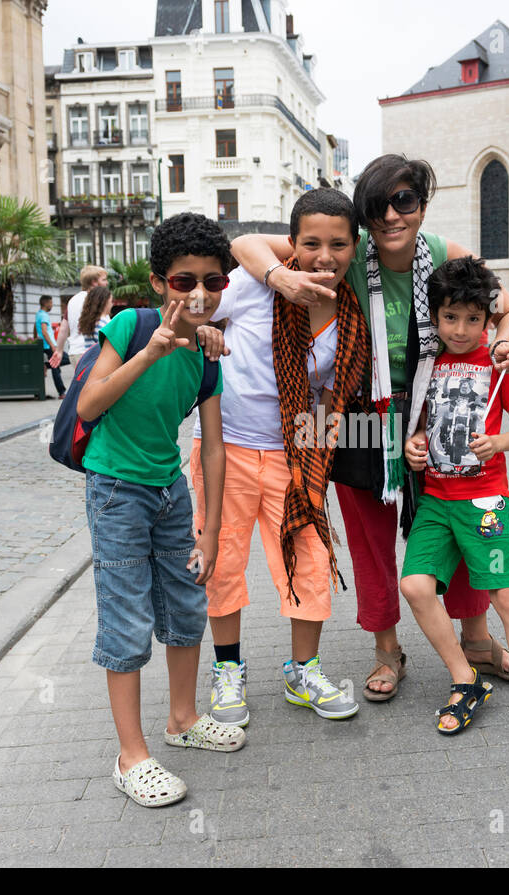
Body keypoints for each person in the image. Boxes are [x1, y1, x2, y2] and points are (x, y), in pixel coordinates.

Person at [229, 154, 509, 704]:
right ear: (363, 215)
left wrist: (504, 337)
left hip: (437, 417)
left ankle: (477, 639)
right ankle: (387, 648)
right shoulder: (342, 250)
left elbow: (507, 307)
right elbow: (243, 243)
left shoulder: (443, 254)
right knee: (370, 542)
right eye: (378, 205)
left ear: (422, 206)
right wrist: (281, 277)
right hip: (362, 420)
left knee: (460, 525)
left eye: (405, 201)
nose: (392, 215)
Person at [75, 212, 239, 809]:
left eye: (212, 282)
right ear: (157, 283)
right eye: (183, 280)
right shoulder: (128, 325)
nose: (198, 293)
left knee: (187, 602)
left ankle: (183, 718)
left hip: (171, 491)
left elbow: (214, 444)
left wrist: (212, 529)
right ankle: (131, 755)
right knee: (125, 614)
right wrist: (149, 351)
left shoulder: (210, 351)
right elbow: (91, 404)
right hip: (117, 489)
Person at [189, 188, 368, 727]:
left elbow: (332, 390)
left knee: (310, 559)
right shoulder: (256, 284)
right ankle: (227, 671)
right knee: (220, 558)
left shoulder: (353, 309)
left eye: (339, 243)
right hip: (228, 449)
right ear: (292, 244)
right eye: (311, 243)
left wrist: (322, 445)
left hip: (297, 452)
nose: (324, 256)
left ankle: (302, 669)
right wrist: (202, 328)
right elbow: (205, 296)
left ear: (355, 246)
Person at [399, 256, 509, 749]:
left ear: (487, 319)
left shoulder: (500, 365)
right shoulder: (425, 366)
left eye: (473, 319)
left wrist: (499, 443)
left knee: (508, 598)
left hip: (485, 506)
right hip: (436, 500)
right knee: (415, 586)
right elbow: (418, 427)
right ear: (435, 317)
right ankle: (466, 678)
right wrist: (414, 446)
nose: (461, 329)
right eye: (450, 317)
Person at [55, 265, 108, 360]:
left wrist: (59, 350)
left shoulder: (73, 300)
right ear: (94, 282)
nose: (107, 283)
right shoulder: (96, 299)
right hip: (92, 352)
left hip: (74, 353)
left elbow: (63, 328)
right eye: (104, 280)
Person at [34, 295, 67, 398]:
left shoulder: (38, 314)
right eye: (51, 303)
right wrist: (52, 345)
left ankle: (45, 365)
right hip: (49, 346)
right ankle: (61, 392)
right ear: (46, 303)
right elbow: (44, 331)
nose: (52, 305)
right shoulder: (43, 315)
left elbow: (35, 327)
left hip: (45, 346)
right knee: (65, 359)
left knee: (55, 365)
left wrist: (34, 338)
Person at [68, 284, 113, 358]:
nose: (112, 304)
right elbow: (107, 348)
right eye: (111, 301)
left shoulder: (92, 321)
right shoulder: (101, 323)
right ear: (104, 302)